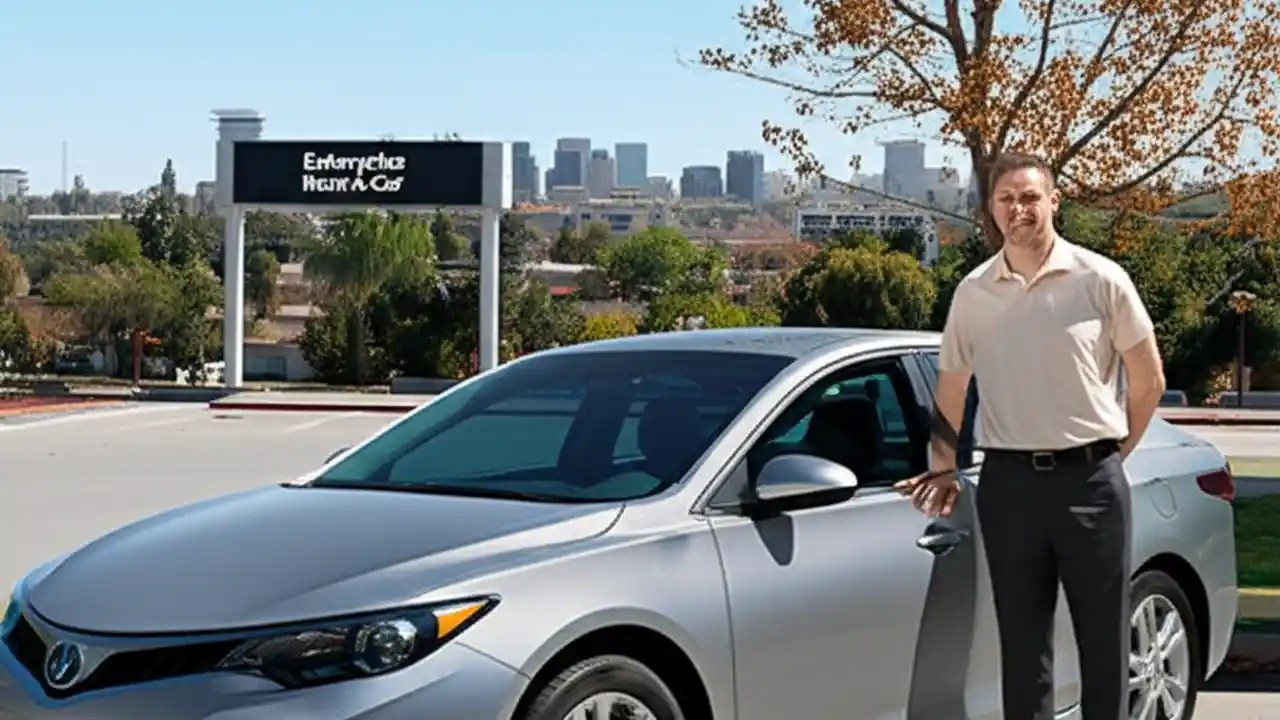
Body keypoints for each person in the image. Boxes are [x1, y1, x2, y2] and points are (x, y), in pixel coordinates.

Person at [894, 152, 1166, 719]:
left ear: (1053, 201)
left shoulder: (1101, 279)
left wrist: (1115, 454)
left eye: (1029, 197)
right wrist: (941, 465)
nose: (1019, 209)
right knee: (1022, 649)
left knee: (1103, 644)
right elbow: (951, 389)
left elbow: (1149, 380)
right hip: (1008, 486)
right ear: (991, 209)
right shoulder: (973, 292)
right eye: (1006, 199)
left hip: (1091, 483)